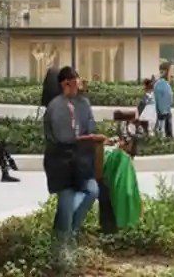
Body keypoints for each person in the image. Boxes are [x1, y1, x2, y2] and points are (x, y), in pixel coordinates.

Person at [43, 66, 106, 263]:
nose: (79, 83)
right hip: (61, 162)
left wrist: (90, 137)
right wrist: (90, 137)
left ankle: (69, 232)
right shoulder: (55, 107)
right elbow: (64, 137)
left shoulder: (83, 103)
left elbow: (89, 125)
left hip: (81, 161)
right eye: (76, 80)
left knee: (92, 191)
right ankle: (62, 251)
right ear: (66, 83)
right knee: (67, 203)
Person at [153, 62, 174, 138]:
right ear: (166, 71)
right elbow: (161, 103)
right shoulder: (162, 84)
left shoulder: (163, 84)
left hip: (165, 115)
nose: (172, 74)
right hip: (164, 116)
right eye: (171, 70)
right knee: (166, 137)